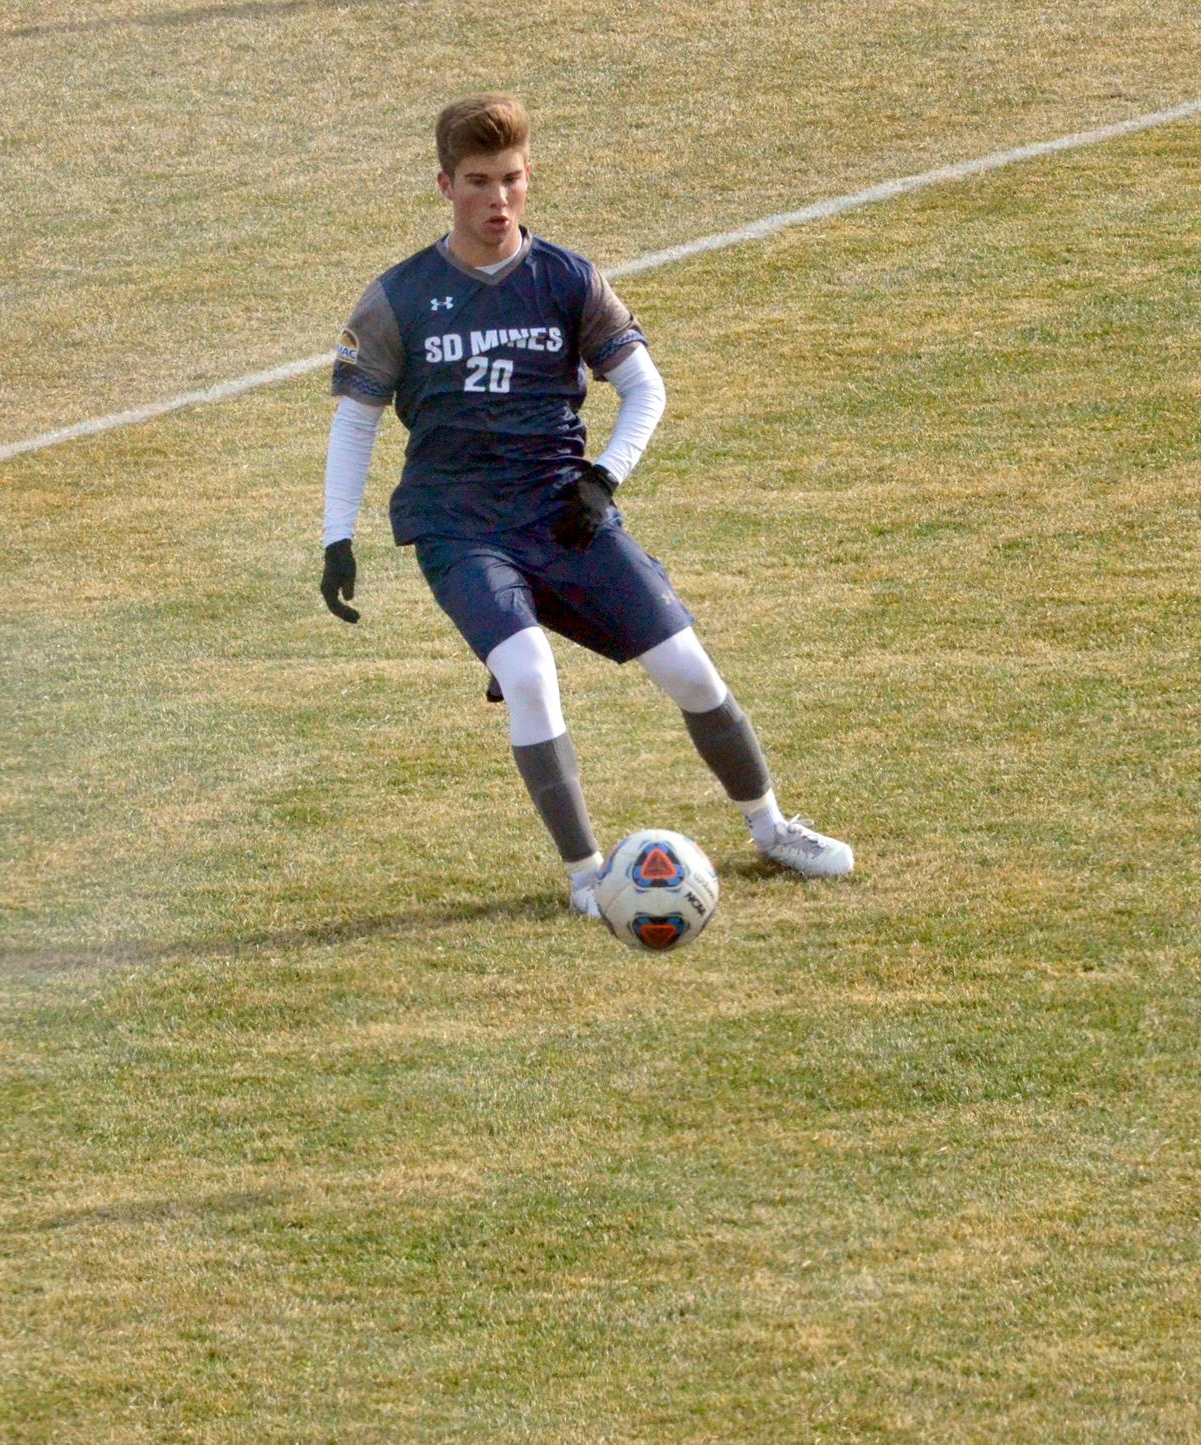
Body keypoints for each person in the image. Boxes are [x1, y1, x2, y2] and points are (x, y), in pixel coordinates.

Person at [320, 94, 853, 918]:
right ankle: (587, 878)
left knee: (688, 668)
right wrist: (336, 540)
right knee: (529, 673)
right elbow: (355, 421)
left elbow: (645, 389)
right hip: (458, 527)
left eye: (512, 179)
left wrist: (603, 479)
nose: (498, 199)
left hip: (564, 513)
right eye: (478, 182)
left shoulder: (568, 280)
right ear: (443, 185)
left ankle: (773, 828)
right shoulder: (400, 297)